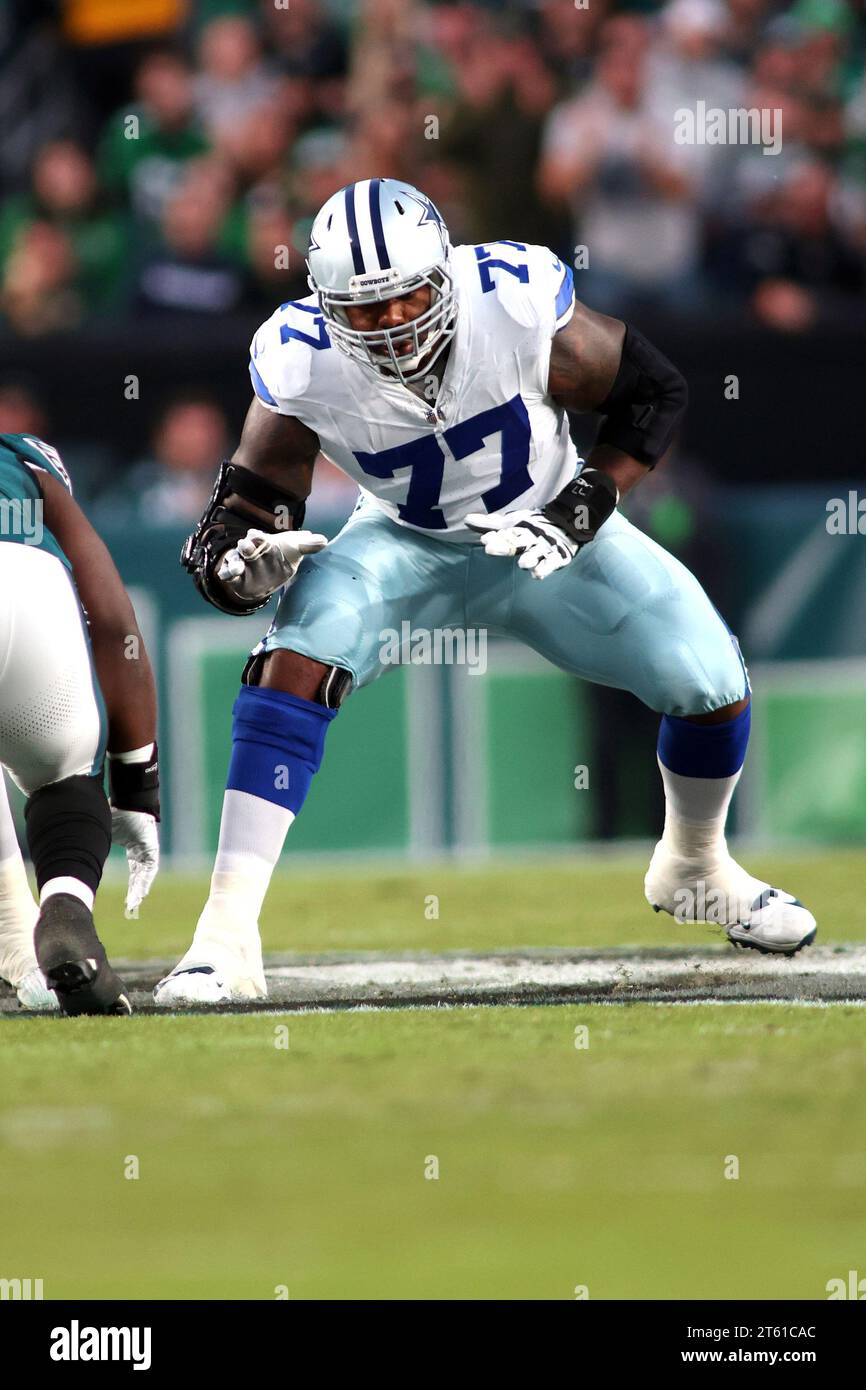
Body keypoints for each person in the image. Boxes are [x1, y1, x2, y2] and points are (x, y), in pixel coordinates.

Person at [157, 177, 816, 1007]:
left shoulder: (512, 299)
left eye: (406, 301)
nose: (392, 326)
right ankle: (224, 935)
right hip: (404, 543)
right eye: (364, 312)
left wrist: (581, 509)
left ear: (445, 275)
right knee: (290, 661)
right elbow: (251, 505)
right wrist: (233, 570)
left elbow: (654, 394)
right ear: (327, 307)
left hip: (546, 532)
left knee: (711, 682)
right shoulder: (300, 356)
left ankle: (696, 863)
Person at [0, 433, 159, 1015]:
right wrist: (138, 782)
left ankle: (15, 941)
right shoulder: (25, 458)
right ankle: (66, 907)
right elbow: (116, 622)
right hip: (32, 589)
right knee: (65, 776)